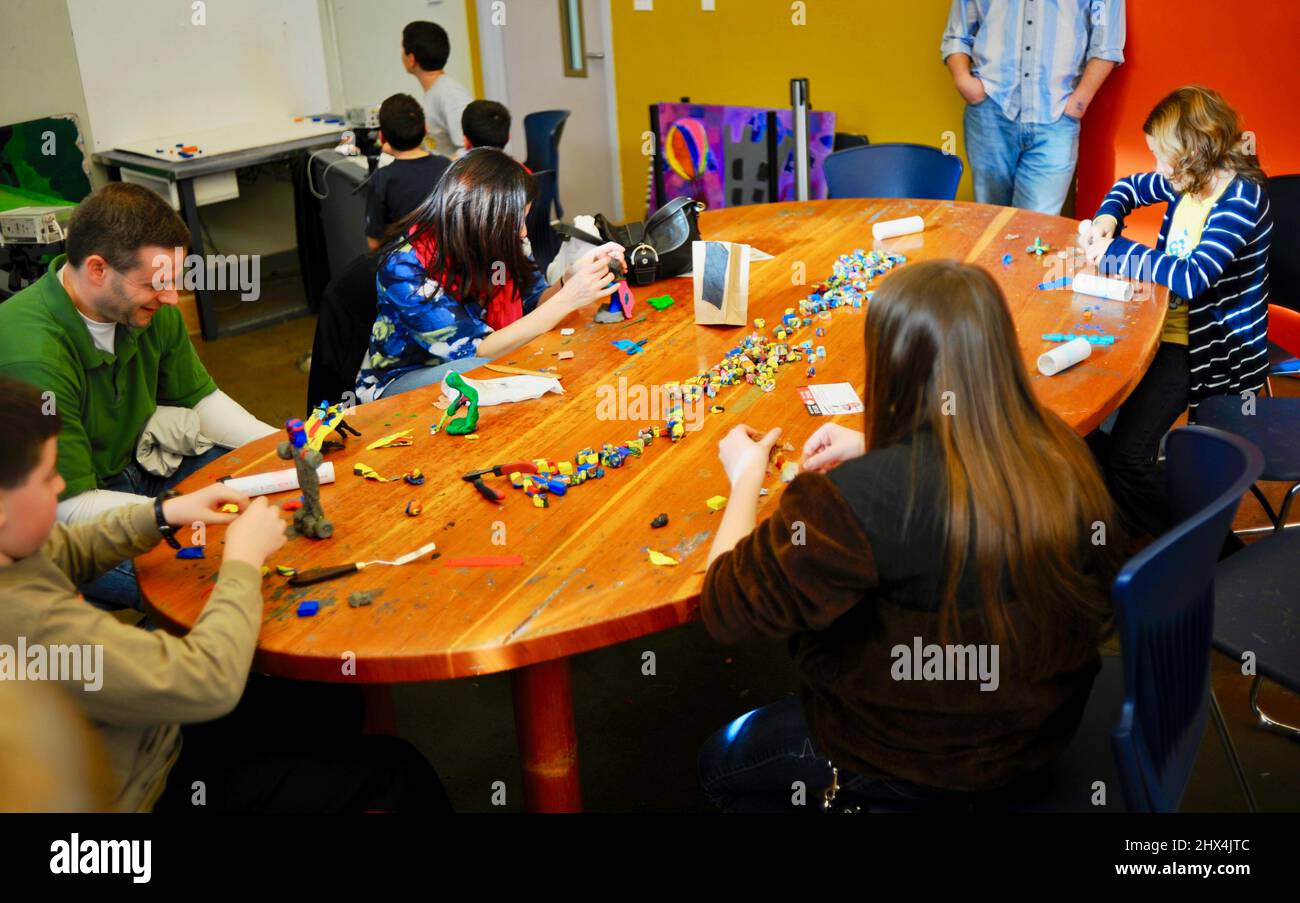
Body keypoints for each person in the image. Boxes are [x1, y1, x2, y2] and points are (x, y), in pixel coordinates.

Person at [696, 261, 1125, 813]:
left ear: (889, 366)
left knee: (718, 765)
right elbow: (952, 493)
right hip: (1038, 732)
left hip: (905, 765)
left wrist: (746, 476)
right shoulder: (1059, 448)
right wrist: (882, 449)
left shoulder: (851, 502)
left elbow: (725, 605)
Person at [0, 376, 449, 813]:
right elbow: (206, 681)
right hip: (150, 787)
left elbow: (68, 552)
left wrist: (163, 512)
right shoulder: (34, 623)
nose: (60, 486)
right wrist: (241, 563)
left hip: (140, 731)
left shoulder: (14, 560)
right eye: (46, 479)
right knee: (398, 770)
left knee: (329, 698)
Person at [0, 183, 275, 610]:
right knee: (207, 588)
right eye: (156, 284)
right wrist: (175, 514)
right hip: (55, 517)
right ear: (97, 269)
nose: (171, 298)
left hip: (137, 470)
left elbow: (200, 400)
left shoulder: (143, 305)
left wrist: (277, 446)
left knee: (264, 488)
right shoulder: (33, 356)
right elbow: (67, 505)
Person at [1081, 86, 1271, 539]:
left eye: (1162, 157)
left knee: (1127, 456)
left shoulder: (1240, 199)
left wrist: (1114, 251)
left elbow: (1192, 277)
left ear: (1195, 152)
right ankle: (1131, 527)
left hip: (1207, 348)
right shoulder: (1187, 177)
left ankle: (1204, 544)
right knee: (1093, 430)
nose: (1158, 169)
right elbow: (1128, 187)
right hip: (1163, 329)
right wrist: (1109, 216)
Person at [355, 149, 624, 402]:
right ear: (480, 217)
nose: (523, 233)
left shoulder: (498, 240)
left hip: (483, 357)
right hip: (406, 378)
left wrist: (569, 278)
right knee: (485, 369)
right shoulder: (406, 267)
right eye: (514, 221)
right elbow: (478, 350)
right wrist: (568, 299)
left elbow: (532, 303)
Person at [942, 0, 1126, 214]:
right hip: (990, 110)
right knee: (989, 221)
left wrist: (1078, 103)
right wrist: (963, 80)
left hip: (1056, 116)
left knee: (1036, 231)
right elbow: (957, 33)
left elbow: (1106, 44)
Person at [366, 93, 452, 252]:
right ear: (425, 129)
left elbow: (374, 243)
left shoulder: (382, 178)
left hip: (406, 269)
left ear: (383, 137)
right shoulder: (447, 166)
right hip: (445, 264)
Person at [402, 20, 473, 159]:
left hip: (451, 178)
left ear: (411, 59)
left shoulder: (450, 93)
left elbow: (471, 149)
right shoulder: (437, 90)